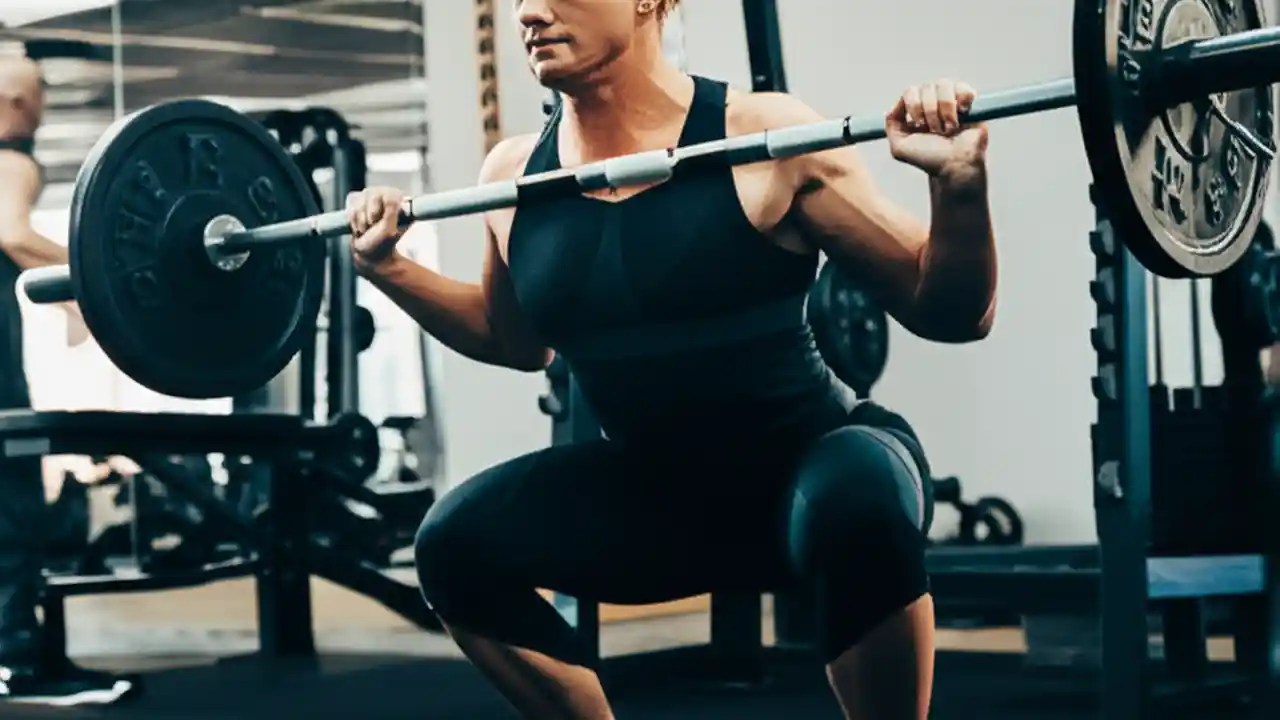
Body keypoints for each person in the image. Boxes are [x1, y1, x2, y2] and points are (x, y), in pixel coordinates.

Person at [348, 0, 995, 717]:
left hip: (813, 473)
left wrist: (958, 187)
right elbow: (515, 341)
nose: (530, 11)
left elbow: (954, 313)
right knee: (453, 543)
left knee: (859, 504)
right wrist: (389, 269)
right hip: (657, 501)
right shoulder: (515, 174)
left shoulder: (765, 135)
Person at [0, 55, 137, 706]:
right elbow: (12, 234)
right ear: (18, 100)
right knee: (13, 501)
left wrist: (71, 301)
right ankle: (20, 663)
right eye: (39, 88)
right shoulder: (13, 156)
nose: (45, 100)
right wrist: (101, 267)